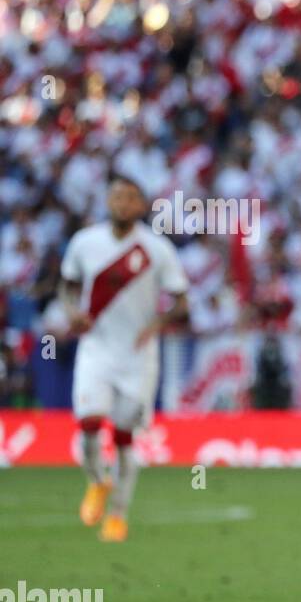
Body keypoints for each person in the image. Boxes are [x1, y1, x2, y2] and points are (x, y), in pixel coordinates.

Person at [60, 174, 190, 541]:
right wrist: (72, 312)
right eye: (117, 196)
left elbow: (182, 302)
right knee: (88, 424)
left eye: (130, 198)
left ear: (141, 206)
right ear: (108, 201)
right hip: (96, 350)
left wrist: (158, 323)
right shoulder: (85, 243)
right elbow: (67, 287)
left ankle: (117, 514)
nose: (122, 203)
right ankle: (97, 481)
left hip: (138, 356)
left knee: (123, 437)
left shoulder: (157, 248)